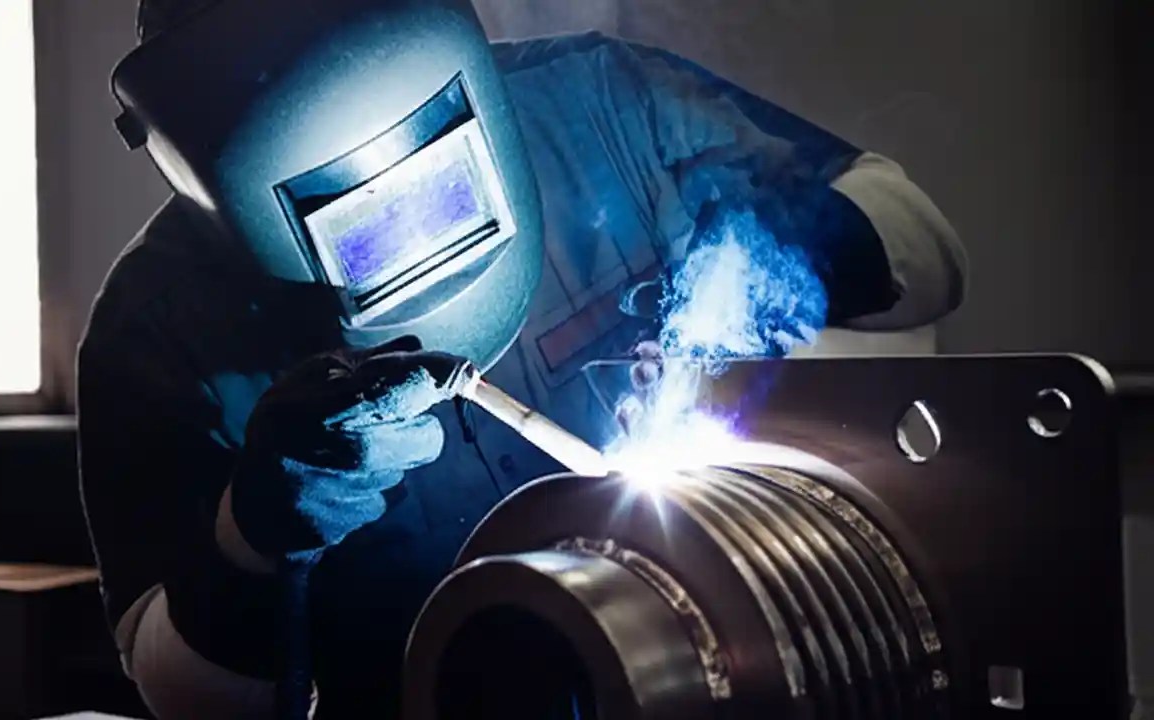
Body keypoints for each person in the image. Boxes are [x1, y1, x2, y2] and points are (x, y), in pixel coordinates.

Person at [77, 1, 968, 718]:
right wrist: (257, 533)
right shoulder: (151, 330)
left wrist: (792, 256)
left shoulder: (597, 100)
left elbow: (924, 243)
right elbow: (175, 692)